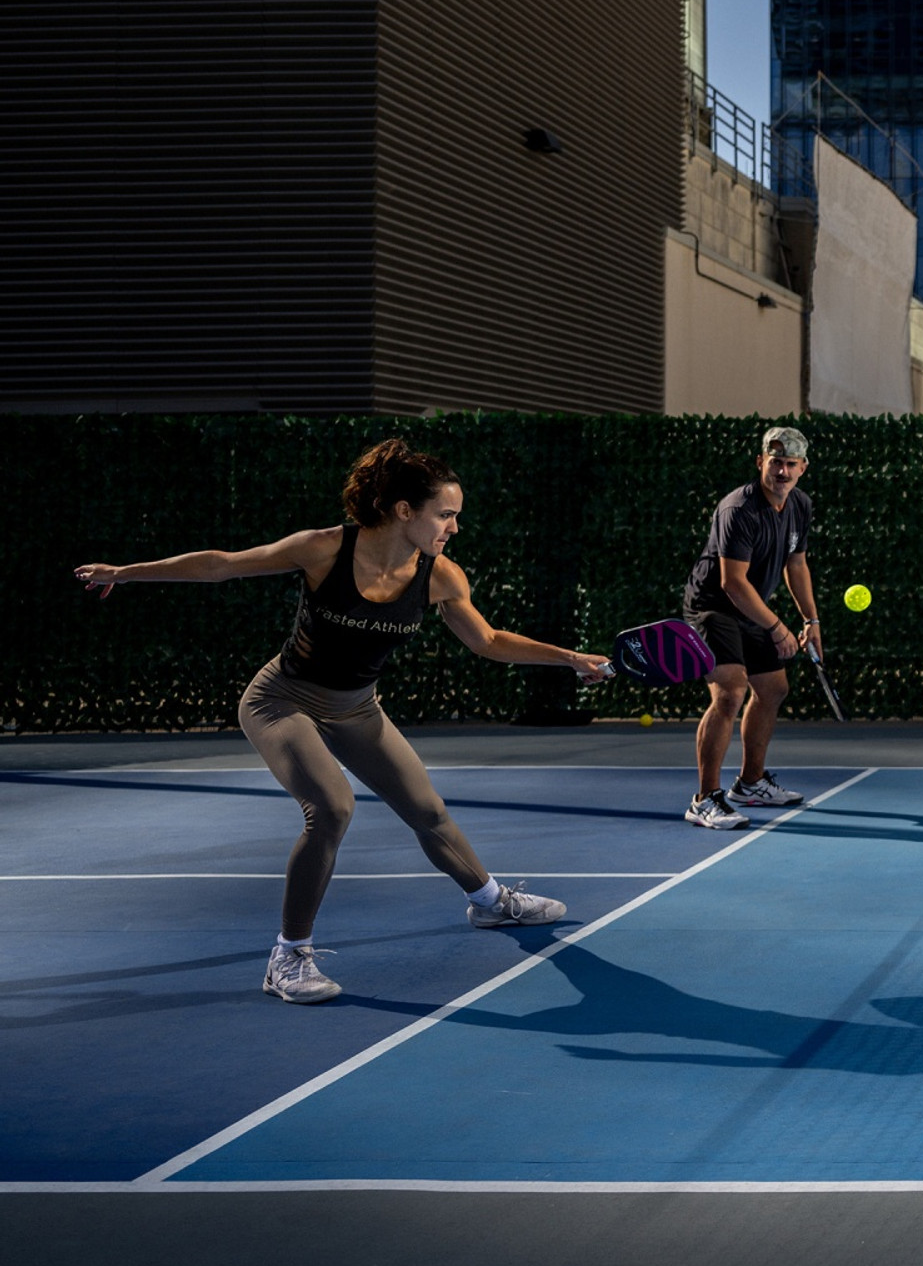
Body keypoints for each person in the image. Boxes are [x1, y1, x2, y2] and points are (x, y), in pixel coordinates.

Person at [72, 440, 605, 1005]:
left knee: (428, 813)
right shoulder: (324, 549)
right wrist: (125, 572)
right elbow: (222, 565)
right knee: (330, 808)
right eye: (445, 514)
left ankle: (491, 902)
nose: (454, 527)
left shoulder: (441, 576)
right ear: (404, 510)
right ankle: (288, 955)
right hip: (281, 700)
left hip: (357, 708)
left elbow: (489, 641)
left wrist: (571, 659)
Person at [680, 425, 823, 830]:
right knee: (729, 692)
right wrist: (777, 627)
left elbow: (796, 564)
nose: (782, 471)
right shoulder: (738, 509)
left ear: (803, 468)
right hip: (712, 607)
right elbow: (732, 583)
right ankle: (705, 799)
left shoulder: (799, 505)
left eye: (790, 464)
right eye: (775, 462)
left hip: (749, 608)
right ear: (761, 462)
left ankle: (750, 783)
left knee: (773, 688)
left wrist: (810, 620)